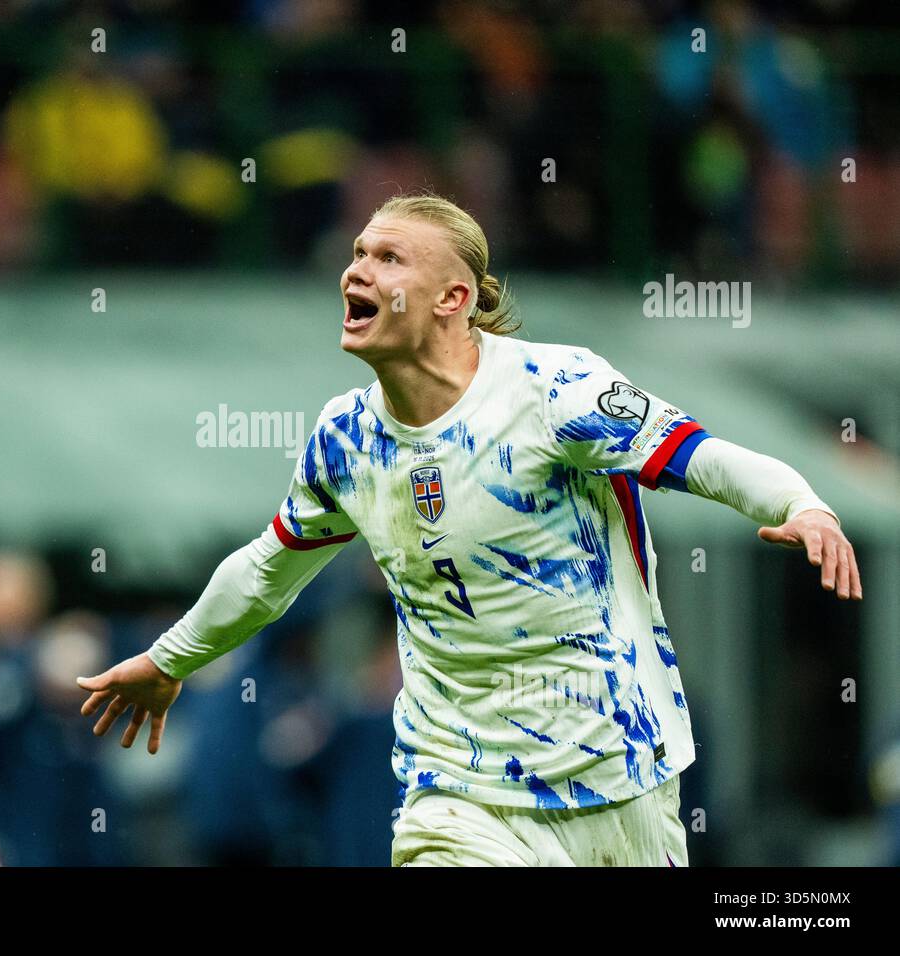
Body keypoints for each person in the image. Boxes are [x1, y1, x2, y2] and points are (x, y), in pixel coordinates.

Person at [77, 192, 862, 867]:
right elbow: (266, 569)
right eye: (357, 254)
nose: (356, 272)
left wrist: (802, 504)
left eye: (388, 259)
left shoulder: (555, 391)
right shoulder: (345, 439)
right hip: (456, 785)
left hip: (618, 771)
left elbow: (702, 456)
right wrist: (169, 660)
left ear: (453, 297)